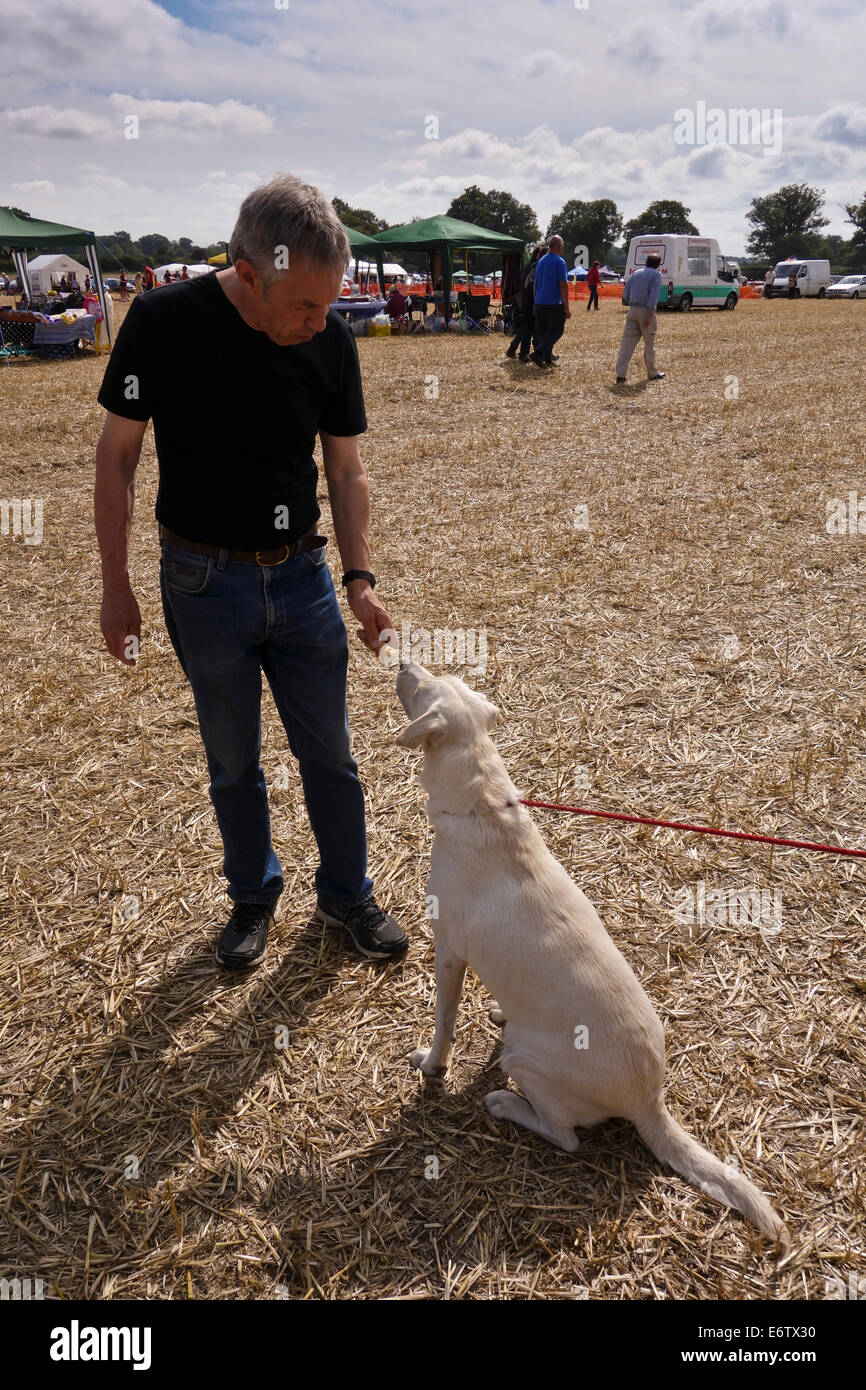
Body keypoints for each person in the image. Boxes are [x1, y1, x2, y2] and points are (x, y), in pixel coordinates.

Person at [94, 172, 408, 970]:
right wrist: (115, 584)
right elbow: (118, 457)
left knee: (331, 754)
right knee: (232, 760)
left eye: (330, 302)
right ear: (246, 274)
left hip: (303, 581)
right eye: (303, 305)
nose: (320, 321)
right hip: (202, 581)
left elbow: (345, 471)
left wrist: (360, 578)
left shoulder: (329, 342)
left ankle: (346, 892)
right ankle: (252, 896)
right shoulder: (162, 324)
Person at [615, 252, 665, 383]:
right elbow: (654, 295)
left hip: (632, 310)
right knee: (649, 343)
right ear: (658, 265)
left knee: (627, 344)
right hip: (646, 311)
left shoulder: (635, 273)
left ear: (646, 262)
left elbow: (625, 294)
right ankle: (652, 373)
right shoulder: (656, 275)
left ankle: (621, 374)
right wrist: (649, 314)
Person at [530, 235, 570, 367]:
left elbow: (535, 284)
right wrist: (567, 307)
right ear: (559, 246)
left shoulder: (541, 261)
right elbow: (563, 285)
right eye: (562, 246)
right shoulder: (559, 261)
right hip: (553, 303)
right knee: (556, 331)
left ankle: (547, 360)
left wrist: (535, 302)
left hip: (540, 302)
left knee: (545, 333)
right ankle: (538, 353)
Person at [505, 246, 541, 362]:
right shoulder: (535, 266)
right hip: (530, 299)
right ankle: (520, 350)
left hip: (525, 299)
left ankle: (516, 348)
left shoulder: (528, 266)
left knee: (528, 326)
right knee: (528, 327)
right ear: (538, 255)